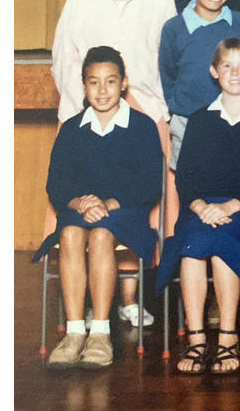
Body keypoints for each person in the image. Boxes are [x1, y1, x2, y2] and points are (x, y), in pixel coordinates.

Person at [155, 38, 240, 374]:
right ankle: (197, 339)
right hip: (200, 209)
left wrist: (229, 208)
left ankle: (228, 337)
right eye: (227, 65)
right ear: (215, 71)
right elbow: (186, 177)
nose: (235, 72)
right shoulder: (200, 120)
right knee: (192, 246)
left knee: (223, 243)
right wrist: (200, 207)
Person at [36, 46, 164, 370]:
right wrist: (82, 202)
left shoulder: (142, 126)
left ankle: (100, 333)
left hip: (127, 212)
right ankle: (75, 332)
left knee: (103, 235)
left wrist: (109, 203)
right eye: (94, 82)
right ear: (84, 86)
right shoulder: (71, 129)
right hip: (81, 210)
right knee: (69, 233)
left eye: (110, 81)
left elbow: (149, 184)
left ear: (124, 83)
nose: (102, 90)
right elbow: (57, 183)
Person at [159, 0, 240, 170]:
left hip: (234, 118)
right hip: (187, 119)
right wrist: (178, 107)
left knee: (230, 175)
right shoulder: (174, 27)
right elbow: (167, 74)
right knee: (188, 179)